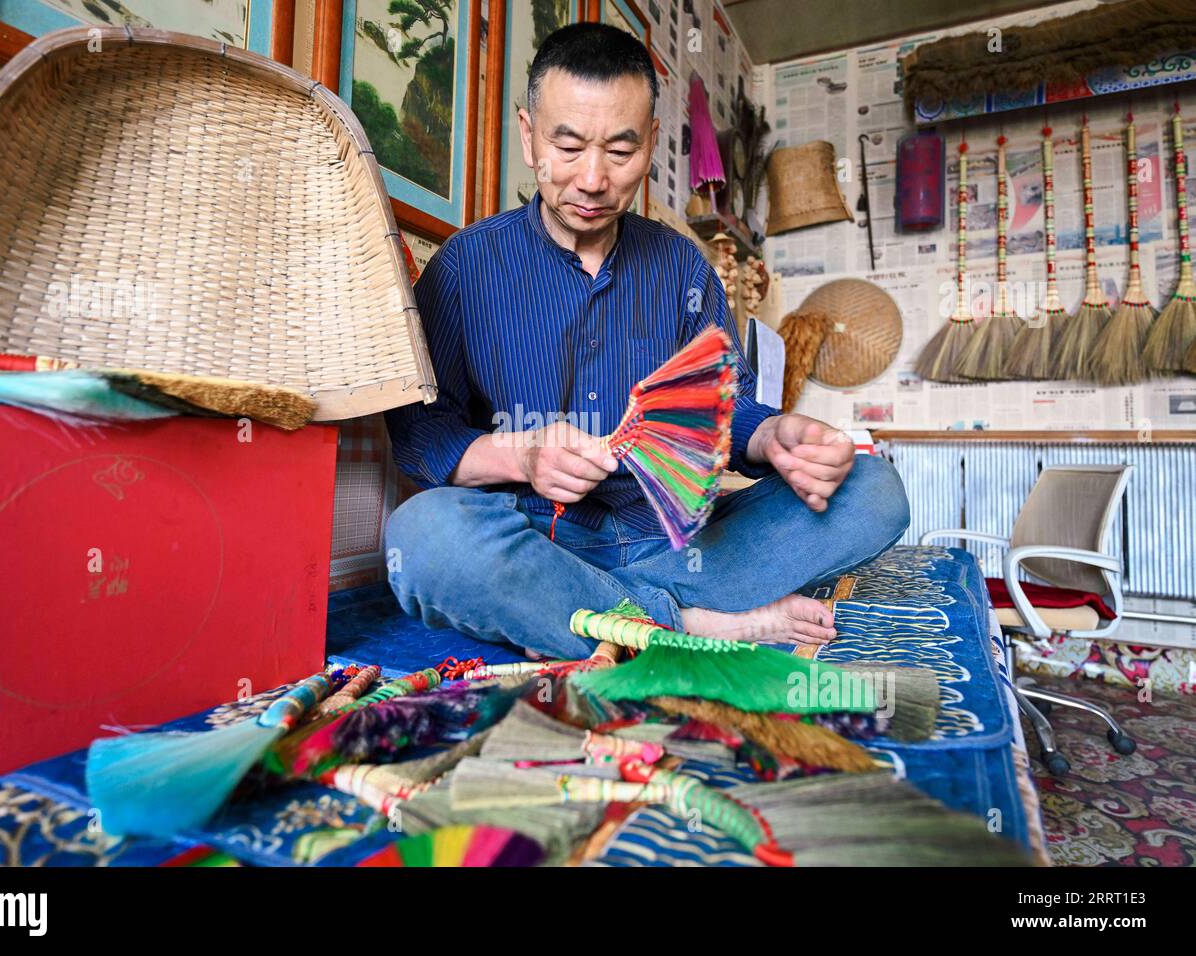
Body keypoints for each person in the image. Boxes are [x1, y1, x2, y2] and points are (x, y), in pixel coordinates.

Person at [384, 23, 909, 660]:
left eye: (621, 151)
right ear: (528, 135)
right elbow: (421, 438)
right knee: (423, 537)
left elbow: (729, 413)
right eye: (568, 146)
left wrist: (773, 437)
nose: (593, 180)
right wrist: (521, 458)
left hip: (679, 545)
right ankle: (698, 625)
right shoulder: (464, 269)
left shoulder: (684, 269)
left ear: (652, 143)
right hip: (536, 542)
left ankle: (605, 617)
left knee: (873, 492)